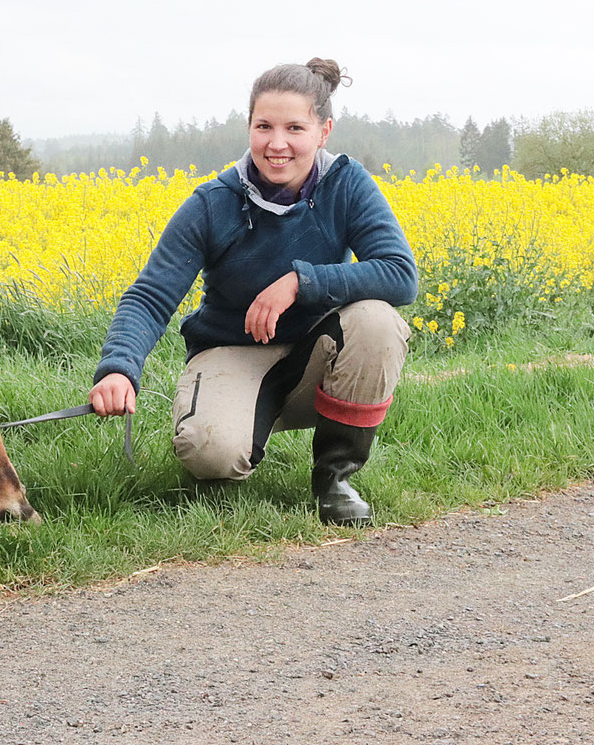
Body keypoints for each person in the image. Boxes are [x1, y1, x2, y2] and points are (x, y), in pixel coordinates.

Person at [89, 59, 418, 525]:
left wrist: (301, 282)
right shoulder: (213, 203)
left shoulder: (347, 184)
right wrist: (118, 368)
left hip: (318, 354)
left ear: (323, 132)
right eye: (263, 126)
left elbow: (401, 274)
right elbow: (151, 295)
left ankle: (335, 478)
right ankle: (242, 429)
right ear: (249, 128)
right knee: (209, 454)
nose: (276, 143)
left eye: (294, 128)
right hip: (231, 351)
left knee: (378, 320)